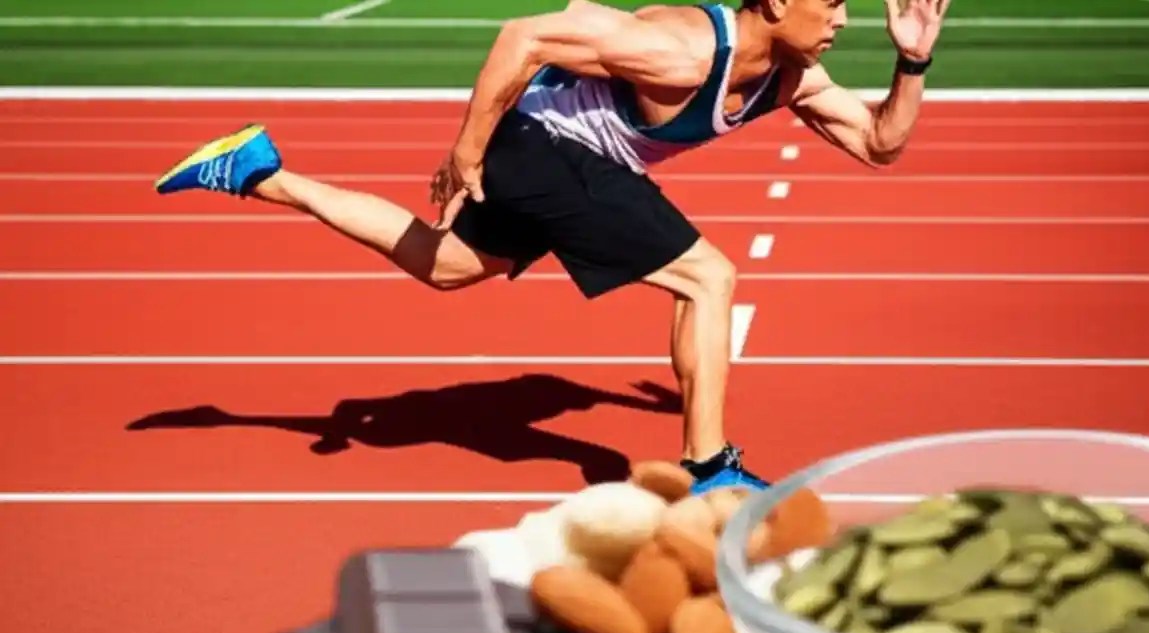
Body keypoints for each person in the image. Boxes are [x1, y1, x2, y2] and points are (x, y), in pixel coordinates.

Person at [152, 0, 951, 494]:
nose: (845, 19)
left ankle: (262, 172)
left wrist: (912, 58)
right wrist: (468, 150)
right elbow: (525, 34)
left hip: (563, 156)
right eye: (835, 2)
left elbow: (881, 142)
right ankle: (708, 469)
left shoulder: (787, 77)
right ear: (777, 1)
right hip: (537, 143)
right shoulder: (682, 49)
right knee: (708, 276)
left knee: (447, 266)